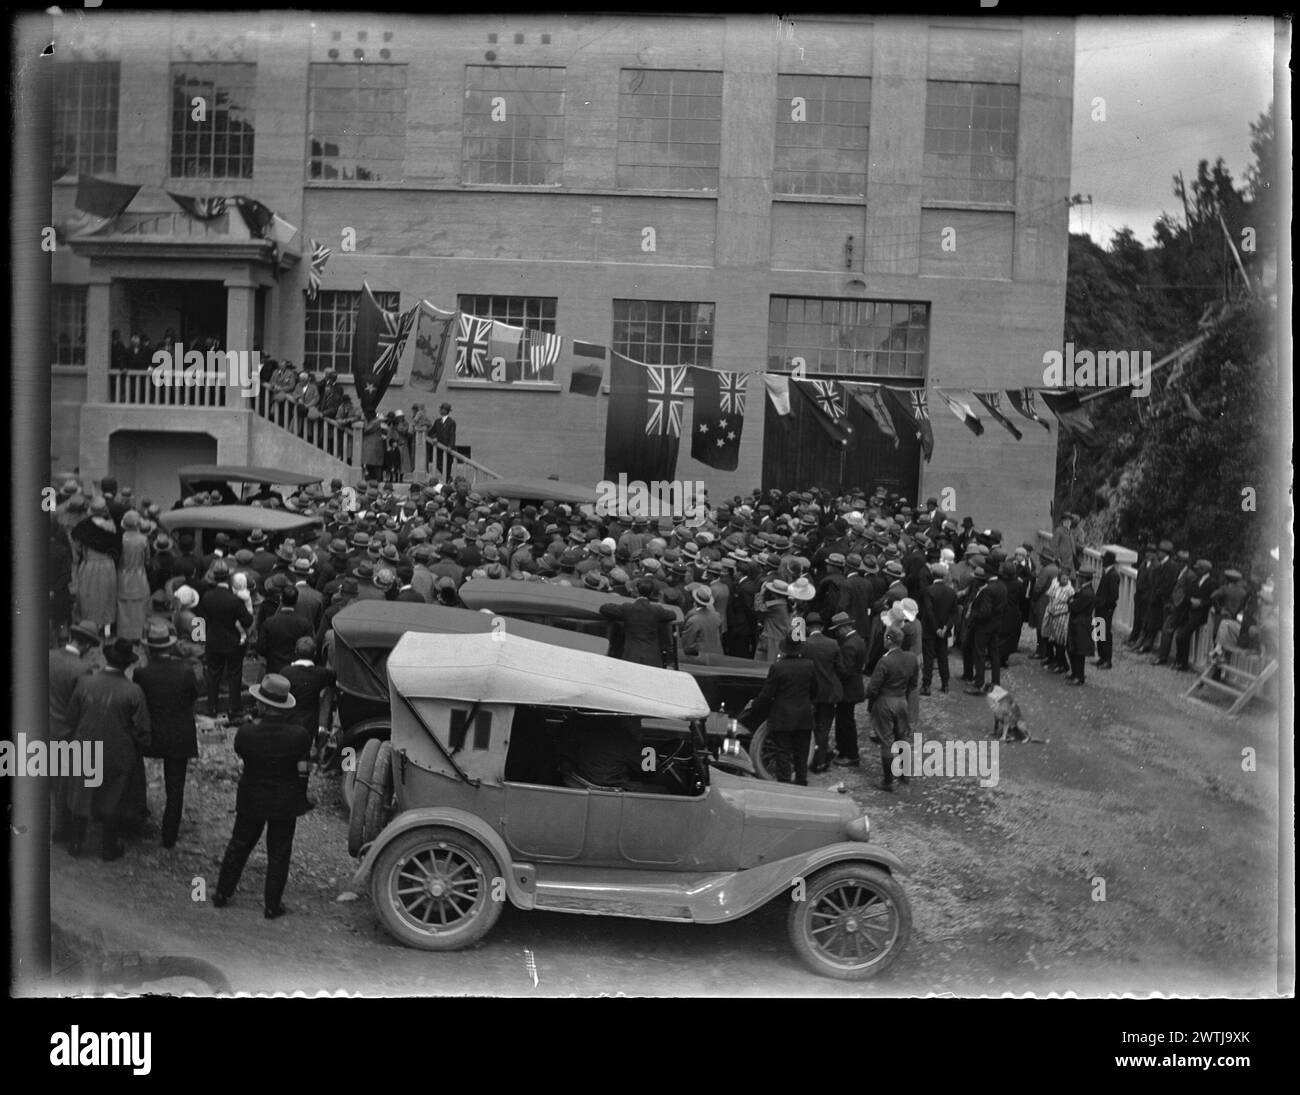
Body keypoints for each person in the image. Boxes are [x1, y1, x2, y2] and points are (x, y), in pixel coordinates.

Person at [213, 674, 313, 919]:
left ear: (262, 705)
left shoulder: (246, 733)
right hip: (284, 800)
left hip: (252, 796)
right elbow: (304, 766)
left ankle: (222, 893)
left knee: (239, 845)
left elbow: (240, 752)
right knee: (279, 853)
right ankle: (272, 905)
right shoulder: (299, 735)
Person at [64, 638, 151, 860]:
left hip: (85, 747)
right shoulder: (134, 691)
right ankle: (108, 848)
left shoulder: (85, 683)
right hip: (117, 752)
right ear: (127, 665)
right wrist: (134, 748)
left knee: (81, 794)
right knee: (112, 798)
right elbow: (142, 730)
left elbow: (71, 716)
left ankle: (75, 844)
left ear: (107, 658)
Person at [133, 621, 199, 848]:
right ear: (170, 646)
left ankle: (137, 816)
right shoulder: (186, 671)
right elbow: (193, 696)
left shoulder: (142, 673)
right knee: (175, 786)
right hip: (179, 733)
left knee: (137, 772)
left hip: (153, 733)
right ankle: (169, 835)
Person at [737, 634, 817, 786]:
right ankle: (801, 782)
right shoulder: (809, 665)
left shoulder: (778, 667)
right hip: (803, 716)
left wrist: (754, 708)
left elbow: (767, 694)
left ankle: (784, 784)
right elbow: (815, 691)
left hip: (783, 717)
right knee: (801, 752)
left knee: (783, 752)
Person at [49, 620, 101, 842]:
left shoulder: (47, 656)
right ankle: (60, 830)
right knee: (62, 784)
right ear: (88, 647)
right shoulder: (83, 669)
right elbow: (82, 704)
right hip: (64, 732)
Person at [196, 560, 252, 720]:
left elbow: (199, 620)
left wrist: (198, 639)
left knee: (213, 675)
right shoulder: (235, 600)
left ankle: (211, 707)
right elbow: (247, 620)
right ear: (228, 577)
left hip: (212, 642)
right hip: (233, 643)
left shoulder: (206, 597)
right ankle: (234, 709)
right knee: (235, 676)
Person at [865, 626, 918, 792]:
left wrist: (873, 700)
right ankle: (904, 775)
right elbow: (914, 683)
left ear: (888, 639)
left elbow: (873, 687)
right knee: (902, 739)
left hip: (885, 702)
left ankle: (888, 781)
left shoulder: (885, 661)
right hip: (902, 700)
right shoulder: (911, 658)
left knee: (886, 741)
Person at [802, 613, 845, 773]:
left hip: (810, 692)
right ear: (822, 627)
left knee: (809, 727)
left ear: (807, 628)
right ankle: (820, 761)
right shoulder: (833, 644)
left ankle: (809, 757)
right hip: (829, 691)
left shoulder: (804, 645)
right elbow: (840, 669)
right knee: (824, 728)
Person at [71, 496, 120, 635]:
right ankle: (107, 630)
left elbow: (78, 550)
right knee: (107, 599)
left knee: (89, 599)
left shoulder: (82, 528)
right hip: (107, 566)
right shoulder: (112, 526)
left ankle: (89, 629)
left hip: (89, 566)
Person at [599, 578, 675, 667]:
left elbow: (604, 608)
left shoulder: (628, 608)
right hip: (652, 657)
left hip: (631, 654)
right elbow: (673, 615)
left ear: (637, 591)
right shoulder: (657, 610)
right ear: (651, 593)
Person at [281, 637, 337, 757]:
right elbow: (334, 678)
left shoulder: (286, 672)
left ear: (296, 652)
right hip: (309, 721)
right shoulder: (321, 674)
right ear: (315, 653)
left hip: (289, 719)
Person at [829, 612, 867, 769]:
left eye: (837, 629)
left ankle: (849, 754)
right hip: (853, 687)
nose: (836, 633)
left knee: (845, 723)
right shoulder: (858, 640)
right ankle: (846, 751)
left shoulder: (849, 645)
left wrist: (834, 664)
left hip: (848, 690)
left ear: (844, 628)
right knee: (846, 721)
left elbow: (845, 671)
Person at [258, 584, 314, 675]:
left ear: (281, 599)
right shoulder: (304, 624)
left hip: (274, 667)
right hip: (296, 669)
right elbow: (309, 646)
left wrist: (270, 656)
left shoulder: (269, 622)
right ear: (296, 601)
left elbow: (261, 647)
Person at [920, 564, 957, 695]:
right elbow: (954, 613)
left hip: (930, 630)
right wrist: (946, 627)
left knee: (928, 658)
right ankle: (945, 684)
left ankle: (926, 685)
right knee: (943, 657)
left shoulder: (929, 591)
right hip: (944, 631)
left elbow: (929, 612)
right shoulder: (951, 592)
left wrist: (936, 629)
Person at [1174, 559, 1215, 671]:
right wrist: (1191, 600)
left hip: (1200, 615)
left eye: (1198, 569)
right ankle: (1180, 661)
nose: (1196, 570)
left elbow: (1212, 600)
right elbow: (1187, 594)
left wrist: (1201, 603)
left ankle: (1181, 662)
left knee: (1182, 635)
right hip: (1189, 611)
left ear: (1204, 570)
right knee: (1183, 636)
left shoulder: (1211, 583)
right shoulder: (1194, 581)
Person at [115, 510, 151, 641]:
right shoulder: (144, 539)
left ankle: (124, 635)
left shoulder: (120, 539)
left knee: (124, 606)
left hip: (123, 576)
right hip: (139, 576)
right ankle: (139, 634)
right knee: (139, 606)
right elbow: (147, 560)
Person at [1066, 565, 1096, 684]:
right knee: (1073, 649)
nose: (1078, 578)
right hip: (1079, 622)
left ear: (1084, 578)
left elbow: (1074, 606)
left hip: (1081, 623)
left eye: (1080, 577)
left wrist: (1071, 602)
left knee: (1079, 651)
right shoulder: (1084, 590)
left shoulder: (1086, 593)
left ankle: (1079, 676)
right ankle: (1075, 673)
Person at [1094, 550, 1120, 668]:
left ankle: (1107, 659)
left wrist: (1103, 604)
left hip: (1106, 609)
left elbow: (1114, 596)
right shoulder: (1107, 572)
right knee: (1099, 632)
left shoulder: (1113, 575)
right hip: (1100, 607)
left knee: (1105, 634)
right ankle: (1101, 657)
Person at [681, 585, 723, 656]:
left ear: (695, 600)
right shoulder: (717, 616)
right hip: (718, 653)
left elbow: (687, 645)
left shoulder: (693, 620)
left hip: (702, 657)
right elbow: (720, 635)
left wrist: (699, 646)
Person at [431, 402, 457, 482]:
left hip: (447, 447)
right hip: (439, 447)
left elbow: (452, 435)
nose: (440, 410)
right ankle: (448, 477)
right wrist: (434, 437)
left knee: (447, 465)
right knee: (438, 463)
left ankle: (447, 480)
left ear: (446, 411)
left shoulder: (451, 422)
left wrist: (450, 446)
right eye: (441, 409)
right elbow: (432, 432)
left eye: (442, 409)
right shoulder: (437, 421)